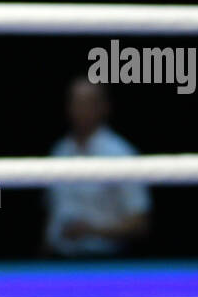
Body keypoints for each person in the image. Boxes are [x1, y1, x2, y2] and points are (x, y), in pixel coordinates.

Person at [42, 76, 151, 256]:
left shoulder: (121, 154)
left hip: (105, 262)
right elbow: (52, 214)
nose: (80, 109)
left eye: (88, 103)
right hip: (59, 260)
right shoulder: (59, 151)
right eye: (76, 102)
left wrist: (92, 230)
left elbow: (140, 224)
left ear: (104, 107)